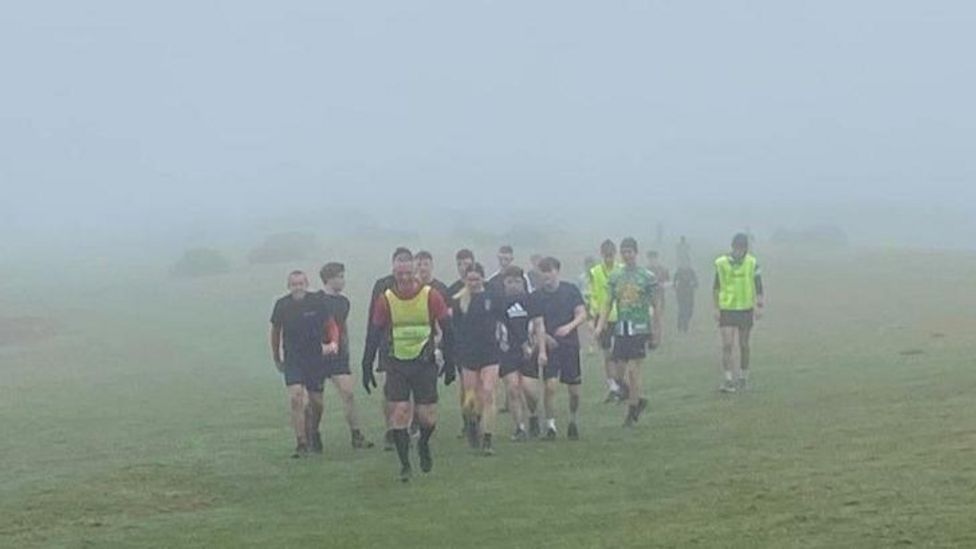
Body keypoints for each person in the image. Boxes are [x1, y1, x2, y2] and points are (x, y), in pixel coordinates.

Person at [362, 254, 456, 481]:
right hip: (396, 363)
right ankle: (404, 464)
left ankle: (423, 443)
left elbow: (448, 330)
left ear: (417, 273)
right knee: (400, 412)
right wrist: (367, 364)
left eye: (408, 273)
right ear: (393, 274)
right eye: (399, 274)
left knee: (428, 417)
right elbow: (373, 334)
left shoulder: (431, 296)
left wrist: (451, 362)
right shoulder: (385, 300)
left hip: (424, 363)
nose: (404, 278)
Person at [270, 271, 339, 457]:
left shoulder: (317, 301)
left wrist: (333, 342)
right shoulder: (282, 305)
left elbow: (331, 324)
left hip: (316, 358)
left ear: (307, 284)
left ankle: (313, 431)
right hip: (293, 359)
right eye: (294, 284)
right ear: (288, 286)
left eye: (301, 283)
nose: (297, 287)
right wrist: (277, 357)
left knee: (317, 403)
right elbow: (276, 332)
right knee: (296, 397)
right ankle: (301, 442)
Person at [597, 238, 661, 427]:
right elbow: (607, 303)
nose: (626, 255)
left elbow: (657, 305)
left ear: (636, 253)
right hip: (621, 328)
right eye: (623, 252)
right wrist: (600, 325)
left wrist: (657, 331)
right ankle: (637, 398)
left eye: (629, 252)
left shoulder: (647, 277)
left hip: (640, 329)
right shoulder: (616, 277)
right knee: (617, 374)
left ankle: (632, 411)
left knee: (634, 372)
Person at [529, 257, 588, 440]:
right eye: (543, 271)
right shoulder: (537, 297)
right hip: (551, 347)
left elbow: (582, 314)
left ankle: (573, 420)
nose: (546, 275)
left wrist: (568, 327)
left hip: (570, 346)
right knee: (550, 386)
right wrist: (543, 349)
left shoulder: (570, 290)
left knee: (574, 391)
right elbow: (538, 324)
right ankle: (551, 425)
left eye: (549, 270)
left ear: (557, 271)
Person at [362, 247, 414, 451]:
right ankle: (391, 428)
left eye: (406, 268)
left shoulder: (418, 285)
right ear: (393, 265)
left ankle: (405, 429)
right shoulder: (382, 285)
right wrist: (370, 352)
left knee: (408, 389)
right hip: (388, 343)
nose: (402, 274)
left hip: (413, 343)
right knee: (388, 389)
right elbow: (373, 318)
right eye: (398, 267)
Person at [318, 262, 374, 449]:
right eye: (340, 276)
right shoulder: (316, 300)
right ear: (329, 278)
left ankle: (356, 434)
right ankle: (311, 435)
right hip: (317, 356)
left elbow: (343, 326)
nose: (343, 280)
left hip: (339, 357)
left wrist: (346, 348)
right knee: (315, 402)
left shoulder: (344, 302)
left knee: (348, 394)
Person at [451, 263, 502, 455]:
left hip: (490, 352)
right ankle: (472, 423)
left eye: (476, 279)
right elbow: (454, 328)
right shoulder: (458, 301)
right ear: (465, 280)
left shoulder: (492, 297)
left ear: (482, 278)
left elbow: (501, 320)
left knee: (488, 393)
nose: (473, 283)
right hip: (468, 354)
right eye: (469, 279)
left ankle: (488, 439)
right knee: (470, 398)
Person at [714, 233, 765, 393]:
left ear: (745, 249)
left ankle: (743, 377)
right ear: (732, 247)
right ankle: (728, 379)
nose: (738, 252)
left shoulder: (752, 263)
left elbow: (758, 285)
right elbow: (716, 287)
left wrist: (759, 305)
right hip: (727, 308)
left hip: (745, 308)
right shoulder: (721, 263)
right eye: (736, 248)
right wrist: (716, 308)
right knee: (727, 345)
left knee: (744, 345)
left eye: (741, 249)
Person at [497, 266, 540, 440]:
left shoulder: (531, 301)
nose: (513, 285)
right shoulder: (499, 302)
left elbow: (538, 324)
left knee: (529, 391)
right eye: (509, 282)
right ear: (504, 284)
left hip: (528, 351)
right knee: (513, 388)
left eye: (516, 281)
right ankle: (519, 427)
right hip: (508, 351)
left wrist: (536, 345)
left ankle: (533, 415)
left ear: (523, 283)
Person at [589, 240, 626, 403]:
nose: (609, 259)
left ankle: (620, 383)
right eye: (606, 256)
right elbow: (593, 294)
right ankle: (612, 386)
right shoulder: (595, 271)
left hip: (620, 316)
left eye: (611, 255)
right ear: (602, 254)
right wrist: (594, 314)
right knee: (606, 353)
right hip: (602, 317)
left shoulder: (622, 270)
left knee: (619, 354)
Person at [673, 263, 698, 333]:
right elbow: (674, 283)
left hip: (690, 294)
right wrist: (676, 286)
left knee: (690, 310)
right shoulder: (678, 272)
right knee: (682, 309)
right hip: (681, 294)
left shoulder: (691, 272)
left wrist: (693, 284)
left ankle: (685, 323)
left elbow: (696, 283)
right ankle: (682, 326)